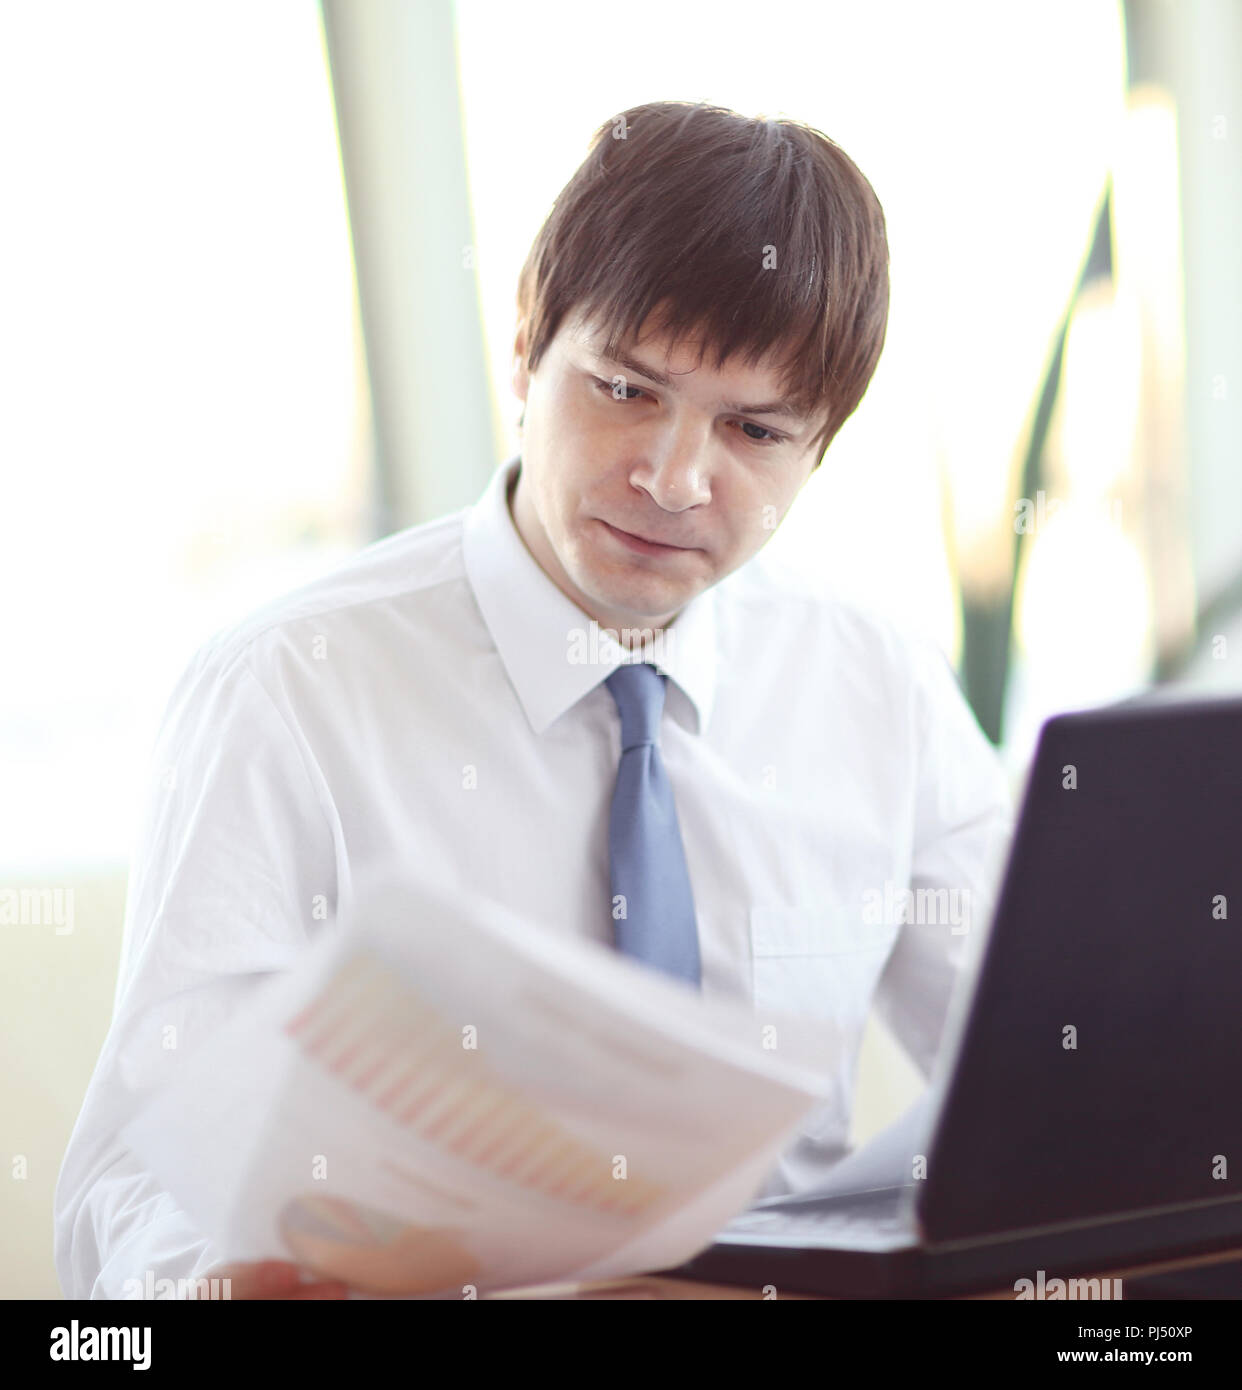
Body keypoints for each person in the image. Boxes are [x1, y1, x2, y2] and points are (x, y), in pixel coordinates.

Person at [54, 99, 1013, 1300]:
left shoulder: (882, 688)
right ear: (525, 342)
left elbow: (1045, 1067)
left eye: (755, 430)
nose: (672, 478)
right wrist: (213, 1286)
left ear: (821, 447)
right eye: (624, 389)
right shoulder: (288, 691)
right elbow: (123, 1193)